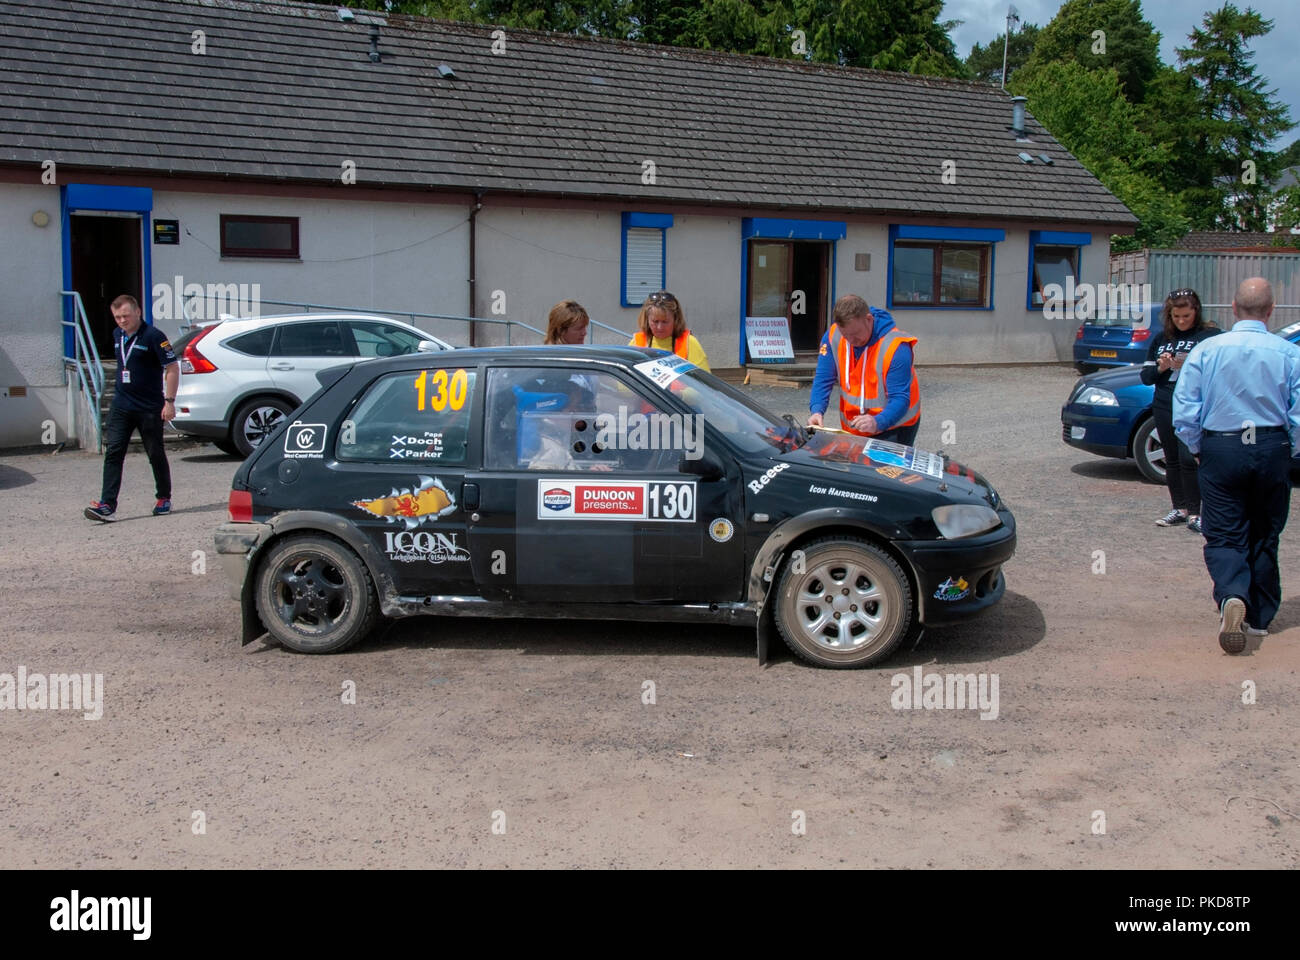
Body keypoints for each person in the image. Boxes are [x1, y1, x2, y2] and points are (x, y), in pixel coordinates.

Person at [1173, 277, 1300, 654]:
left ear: (1233, 308)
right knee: (1265, 532)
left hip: (1222, 445)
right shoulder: (1289, 353)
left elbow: (1185, 409)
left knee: (1224, 533)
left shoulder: (1207, 350)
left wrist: (1199, 448)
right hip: (1270, 444)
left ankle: (1231, 595)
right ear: (1271, 310)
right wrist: (1288, 451)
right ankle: (1258, 618)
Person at [85, 294, 179, 521]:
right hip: (121, 405)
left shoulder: (154, 336)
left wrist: (169, 402)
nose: (122, 321)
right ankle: (107, 505)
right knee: (114, 452)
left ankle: (163, 498)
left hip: (149, 407)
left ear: (138, 312)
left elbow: (172, 368)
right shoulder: (117, 334)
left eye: (125, 316)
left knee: (155, 453)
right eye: (117, 317)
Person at [1140, 288, 1220, 532]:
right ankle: (1180, 508)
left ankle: (1196, 512)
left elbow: (1221, 368)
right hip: (1165, 402)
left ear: (1196, 312)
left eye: (1186, 316)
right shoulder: (1161, 339)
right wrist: (1162, 367)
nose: (1182, 321)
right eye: (1176, 316)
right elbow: (1146, 377)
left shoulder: (1209, 336)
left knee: (1189, 458)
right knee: (1171, 458)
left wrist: (1191, 364)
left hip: (1195, 405)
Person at [808, 293, 920, 445]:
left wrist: (877, 422)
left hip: (894, 426)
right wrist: (817, 410)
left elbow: (900, 398)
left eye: (855, 334)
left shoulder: (897, 348)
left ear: (869, 319)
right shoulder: (833, 336)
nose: (851, 341)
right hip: (857, 427)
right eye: (845, 335)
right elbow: (823, 378)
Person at [629, 290, 710, 371]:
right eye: (655, 321)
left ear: (676, 320)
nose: (660, 327)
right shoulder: (636, 343)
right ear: (647, 320)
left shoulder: (689, 343)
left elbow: (703, 377)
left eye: (665, 322)